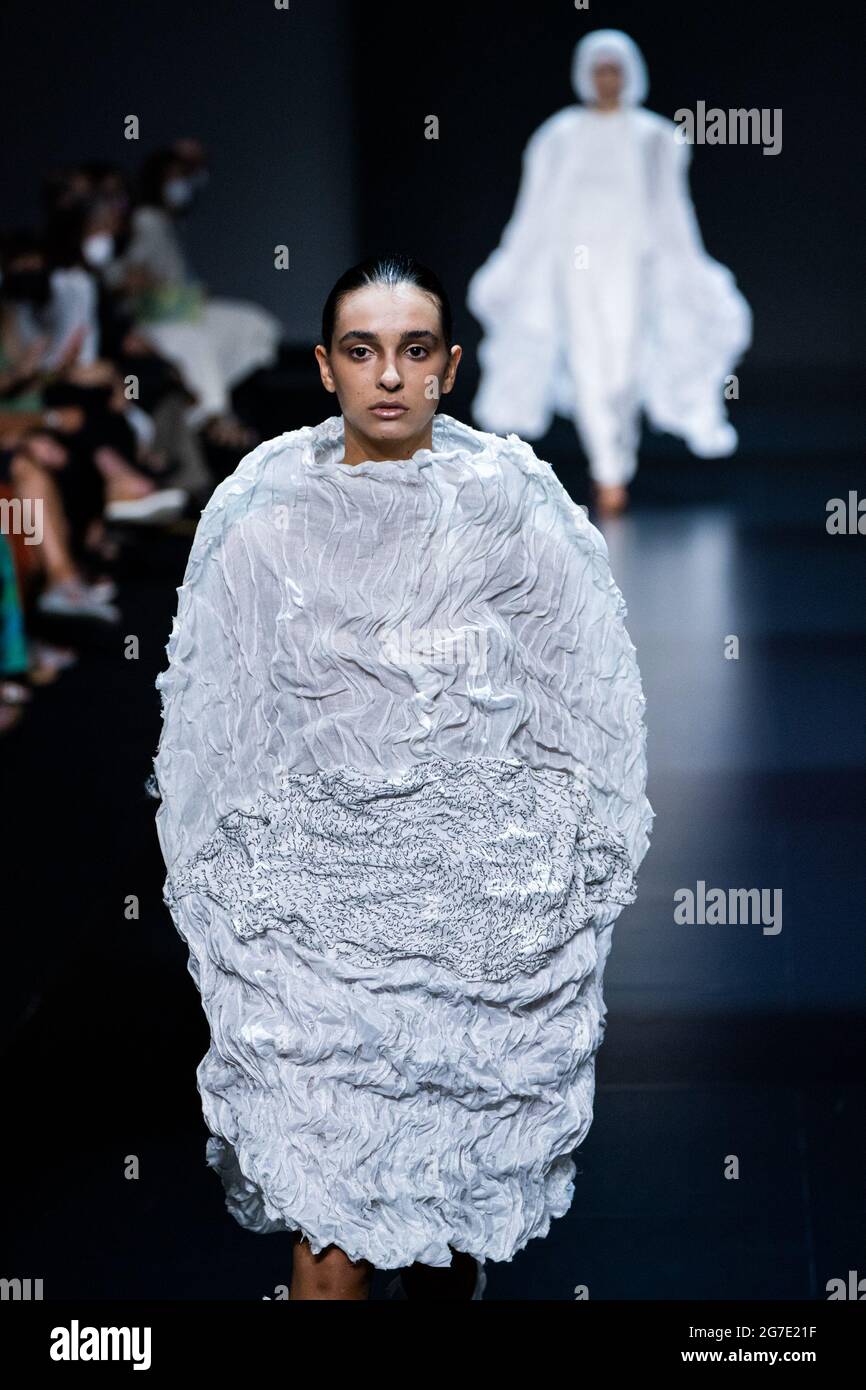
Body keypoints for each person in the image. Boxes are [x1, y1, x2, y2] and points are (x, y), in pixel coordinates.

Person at [151, 254, 654, 1300]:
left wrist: (566, 865)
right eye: (362, 351)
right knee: (328, 1214)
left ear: (449, 368)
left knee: (449, 1219)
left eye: (414, 350)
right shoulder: (263, 514)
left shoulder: (509, 503)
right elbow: (216, 714)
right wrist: (230, 893)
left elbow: (582, 690)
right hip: (310, 918)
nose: (388, 375)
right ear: (326, 368)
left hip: (478, 915)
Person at [468, 28, 752, 516]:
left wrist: (686, 269)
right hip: (572, 268)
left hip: (631, 266)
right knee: (586, 364)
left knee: (621, 367)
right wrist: (518, 263)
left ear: (630, 73)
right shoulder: (558, 136)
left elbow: (673, 213)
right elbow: (534, 211)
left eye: (615, 69)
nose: (607, 79)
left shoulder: (655, 137)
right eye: (599, 69)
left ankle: (619, 456)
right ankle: (608, 471)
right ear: (585, 74)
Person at [104, 142, 281, 446]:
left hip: (180, 311)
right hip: (151, 319)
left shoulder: (167, 222)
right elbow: (118, 275)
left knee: (253, 323)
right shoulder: (143, 220)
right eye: (174, 177)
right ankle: (213, 416)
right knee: (195, 343)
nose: (181, 185)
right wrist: (132, 283)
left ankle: (206, 405)